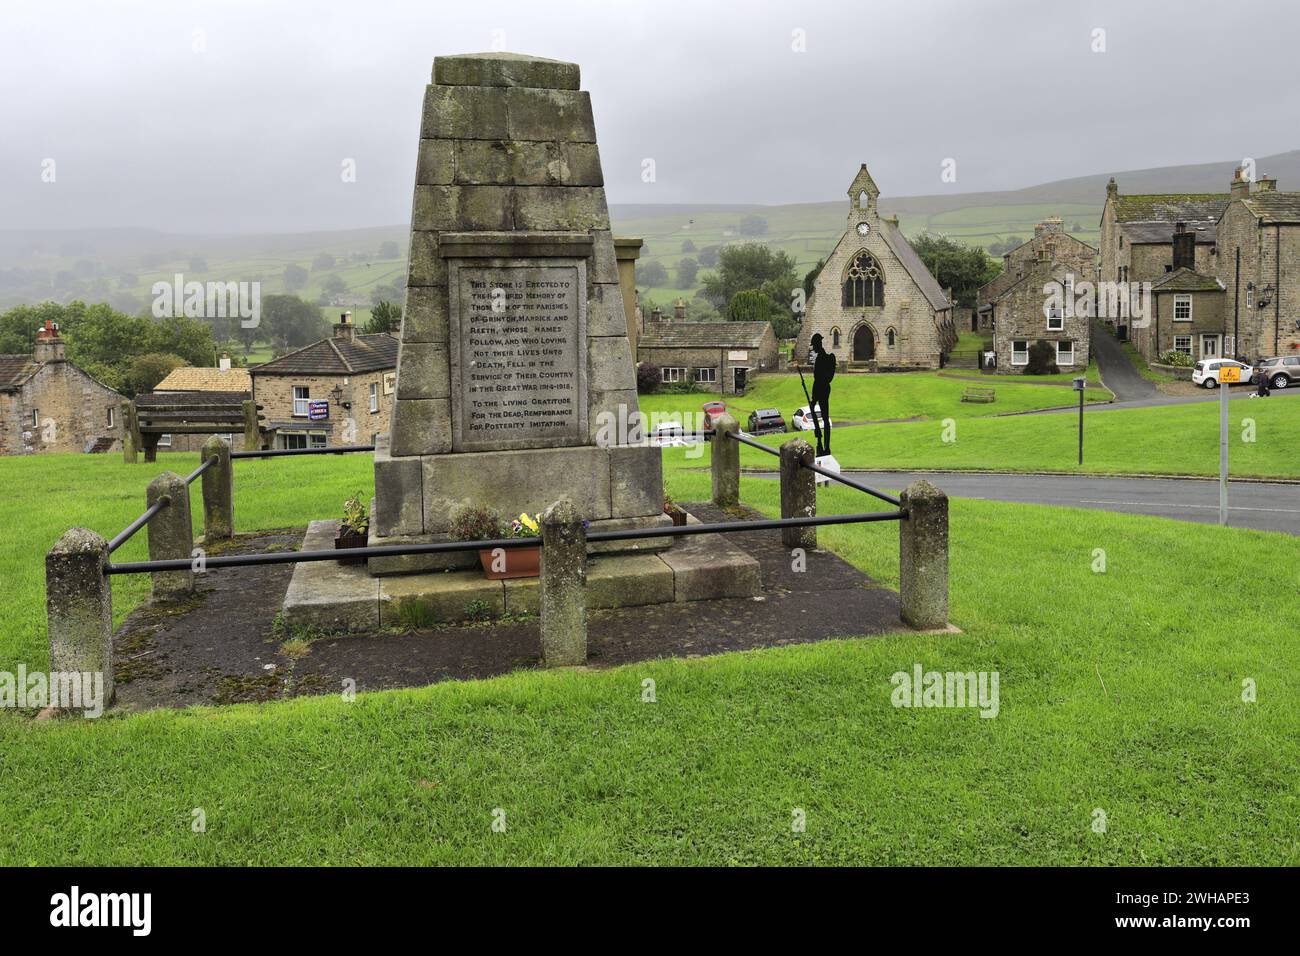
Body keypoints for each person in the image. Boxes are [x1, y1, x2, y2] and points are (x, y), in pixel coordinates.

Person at [809, 332, 836, 456]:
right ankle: (822, 442)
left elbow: (820, 379)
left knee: (825, 418)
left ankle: (826, 446)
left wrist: (815, 398)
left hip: (822, 390)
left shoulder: (824, 358)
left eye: (814, 345)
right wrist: (814, 398)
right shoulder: (820, 357)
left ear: (818, 344)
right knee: (822, 417)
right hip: (820, 389)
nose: (813, 348)